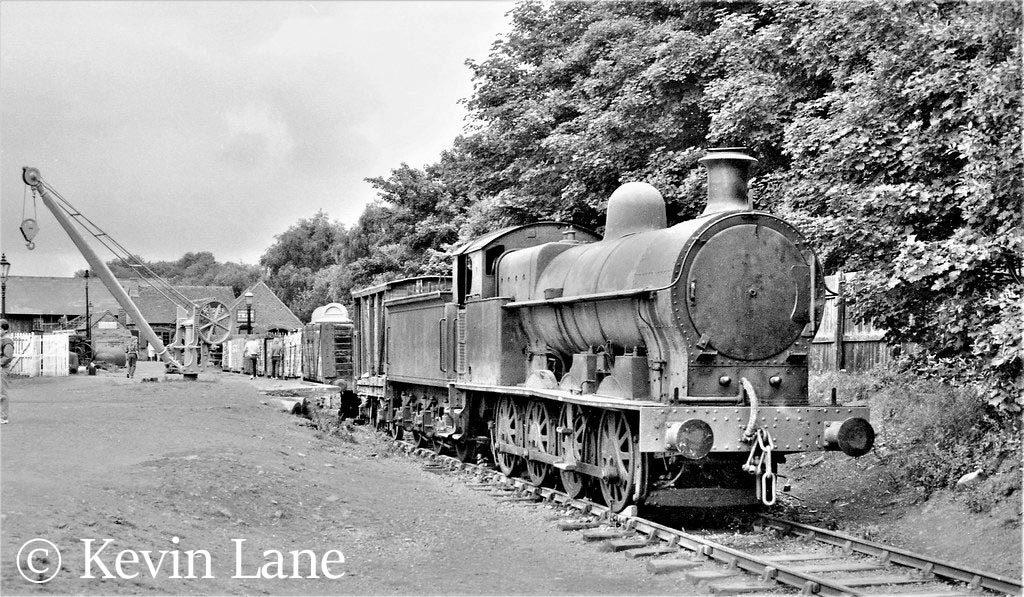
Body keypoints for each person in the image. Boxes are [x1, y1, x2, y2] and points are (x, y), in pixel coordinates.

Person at [1, 319, 14, 424]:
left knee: (2, 393)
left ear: (5, 330)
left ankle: (3, 417)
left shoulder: (7, 341)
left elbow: (8, 357)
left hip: (2, 369)